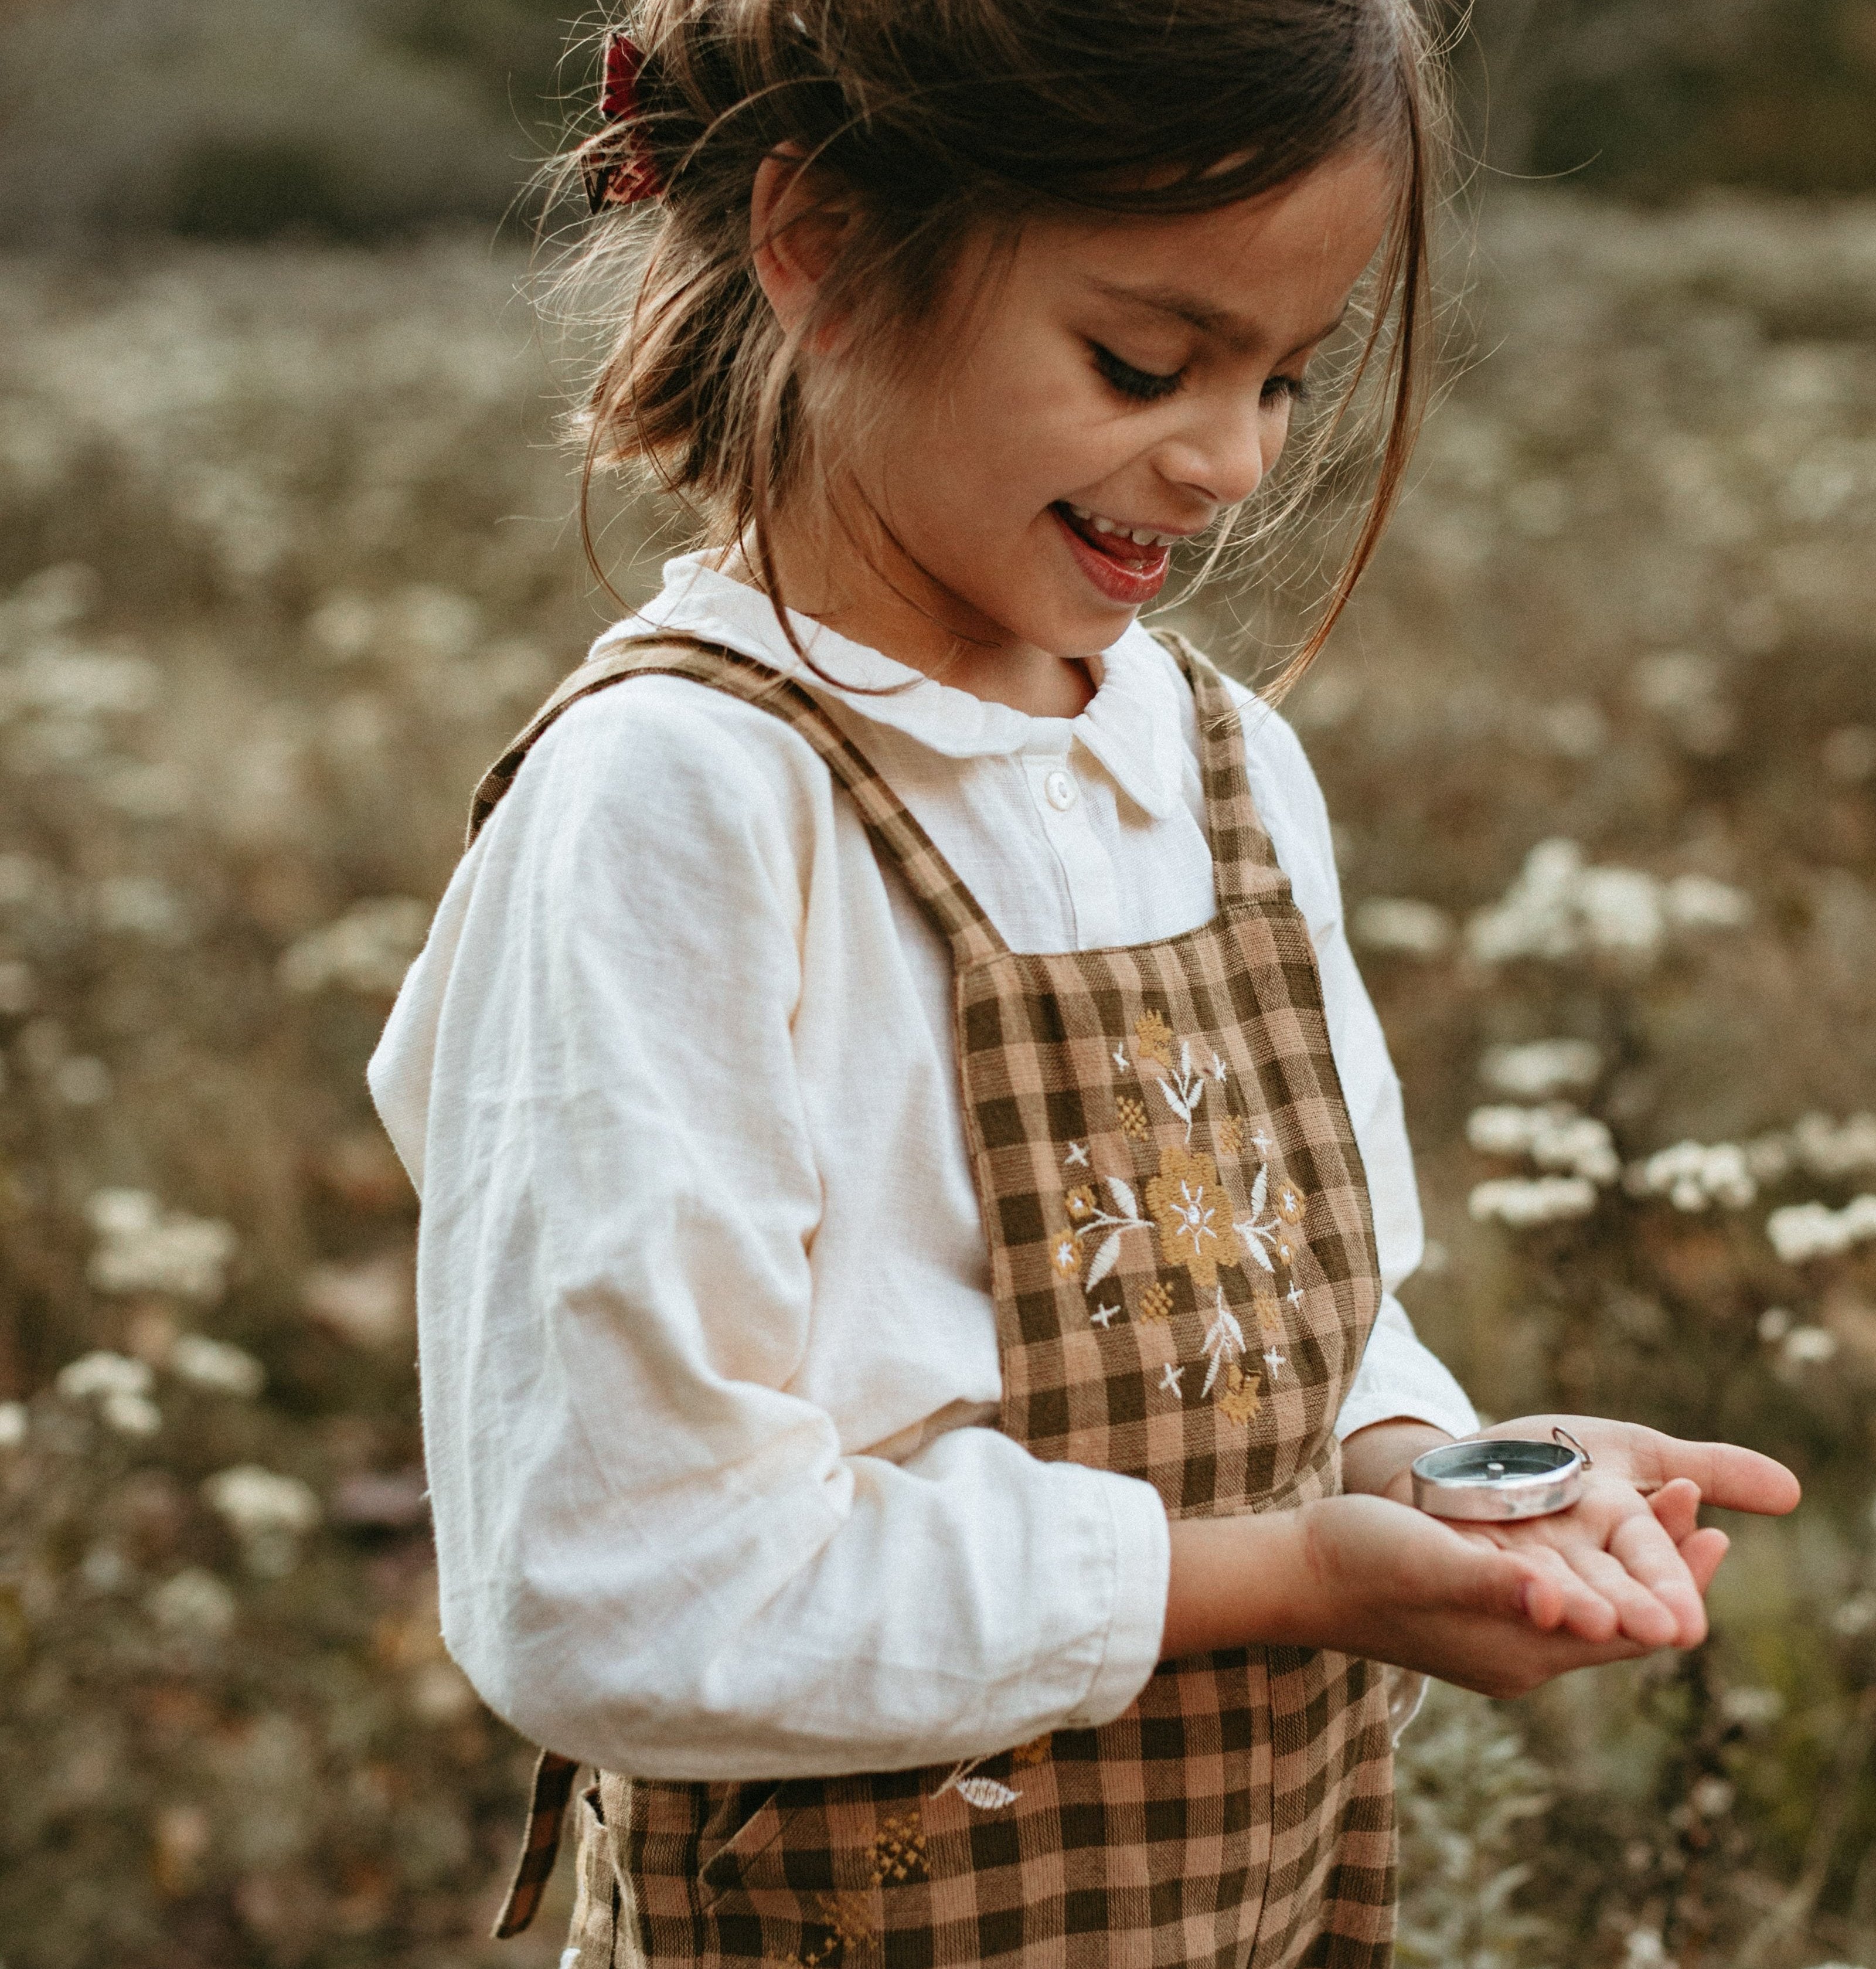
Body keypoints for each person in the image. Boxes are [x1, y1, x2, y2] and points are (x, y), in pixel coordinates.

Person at [368, 2, 1801, 1963]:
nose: (1228, 460)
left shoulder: (1207, 762)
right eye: (1145, 361)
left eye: (1290, 378)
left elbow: (1318, 1321)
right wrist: (1288, 1571)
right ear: (827, 247)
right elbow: (616, 1583)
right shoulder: (683, 809)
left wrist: (1451, 1482)